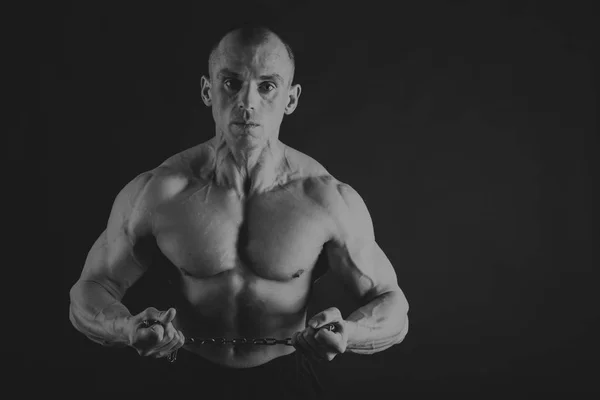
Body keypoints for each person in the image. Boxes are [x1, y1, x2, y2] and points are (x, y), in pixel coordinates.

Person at [69, 23, 409, 398]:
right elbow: (89, 290)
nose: (247, 102)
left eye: (267, 86)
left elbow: (393, 306)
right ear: (207, 90)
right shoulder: (157, 192)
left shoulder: (325, 198)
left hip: (286, 380)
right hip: (185, 377)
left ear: (291, 99)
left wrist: (350, 333)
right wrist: (127, 328)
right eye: (231, 83)